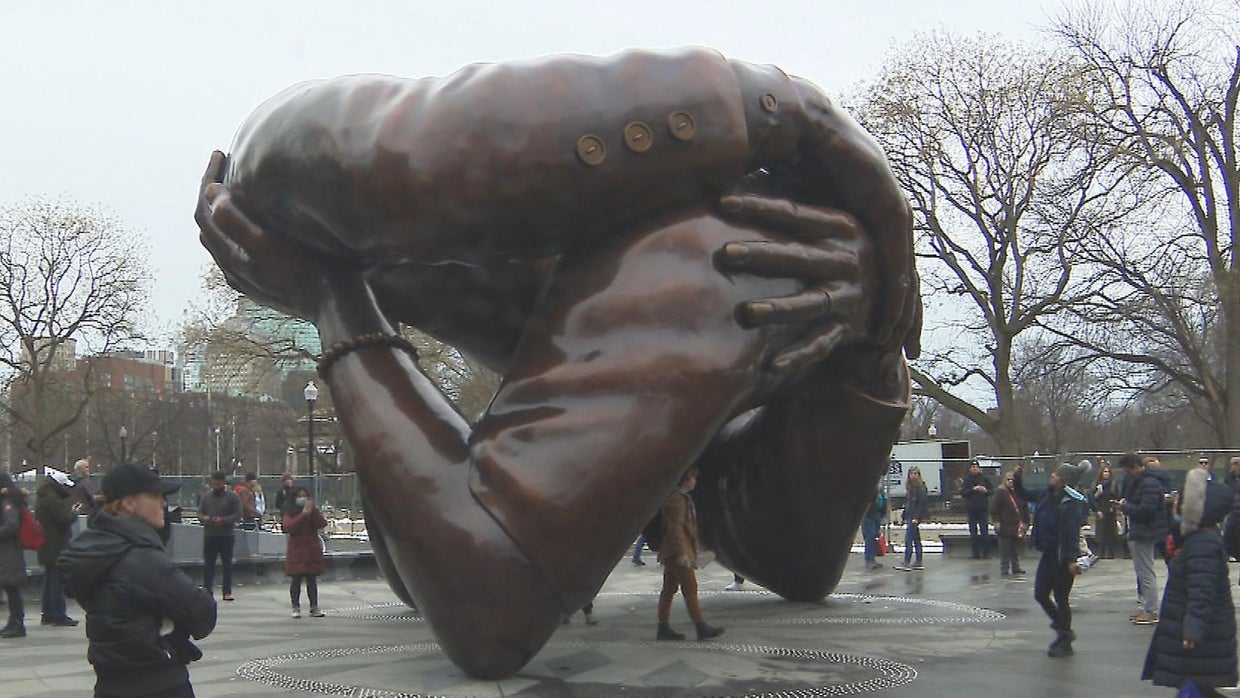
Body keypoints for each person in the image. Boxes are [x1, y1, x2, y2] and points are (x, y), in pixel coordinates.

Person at [196, 47, 921, 678]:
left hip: (781, 309)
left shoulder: (715, 254)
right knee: (381, 168)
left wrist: (333, 300)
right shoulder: (694, 262)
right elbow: (789, 553)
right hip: (799, 362)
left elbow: (488, 610)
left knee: (394, 162)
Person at [57, 462, 217, 698]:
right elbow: (203, 614)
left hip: (110, 682)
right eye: (155, 495)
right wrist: (171, 627)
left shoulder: (97, 550)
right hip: (157, 684)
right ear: (128, 504)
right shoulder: (141, 558)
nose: (164, 503)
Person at [1142, 468, 1238, 697]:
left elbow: (1201, 591)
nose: (1175, 504)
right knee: (1196, 688)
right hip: (1200, 632)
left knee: (1195, 688)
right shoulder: (1199, 539)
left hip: (1198, 637)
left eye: (1181, 500)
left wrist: (1192, 631)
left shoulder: (1201, 544)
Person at [1011, 462, 1087, 657]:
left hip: (1062, 556)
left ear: (1063, 481)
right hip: (1047, 553)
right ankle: (1064, 631)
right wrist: (1018, 478)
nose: (1052, 475)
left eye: (1056, 474)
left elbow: (1070, 534)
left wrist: (1070, 560)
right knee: (1041, 594)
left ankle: (1064, 639)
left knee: (1061, 598)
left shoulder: (1071, 503)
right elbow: (1024, 494)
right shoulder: (1046, 493)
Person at [656, 468, 723, 641]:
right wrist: (682, 553)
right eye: (693, 478)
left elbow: (685, 529)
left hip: (673, 552)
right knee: (690, 589)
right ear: (685, 480)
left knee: (669, 590)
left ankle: (663, 628)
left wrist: (694, 549)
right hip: (676, 553)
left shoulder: (681, 498)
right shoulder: (678, 500)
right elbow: (675, 528)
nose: (695, 481)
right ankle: (701, 627)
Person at [1117, 452, 1169, 626]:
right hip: (1142, 530)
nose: (1127, 474)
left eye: (1127, 470)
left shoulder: (1148, 483)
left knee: (1146, 572)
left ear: (1135, 467)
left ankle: (1152, 611)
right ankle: (1147, 608)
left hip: (1146, 531)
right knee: (1143, 571)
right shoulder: (1144, 482)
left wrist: (1125, 507)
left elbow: (1147, 510)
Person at [36, 469, 78, 626]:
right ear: (59, 485)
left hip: (46, 543)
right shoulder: (53, 499)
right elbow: (64, 519)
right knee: (56, 580)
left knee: (49, 579)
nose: (67, 489)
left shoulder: (44, 496)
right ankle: (58, 614)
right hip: (56, 544)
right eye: (65, 486)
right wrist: (74, 513)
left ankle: (47, 613)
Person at [282, 485, 327, 618]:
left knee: (311, 579)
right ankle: (295, 607)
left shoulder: (312, 510)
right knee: (296, 579)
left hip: (311, 546)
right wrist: (303, 515)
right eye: (299, 496)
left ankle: (314, 606)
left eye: (305, 496)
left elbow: (321, 523)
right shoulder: (289, 510)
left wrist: (313, 510)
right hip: (297, 548)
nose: (302, 499)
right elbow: (289, 527)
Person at [198, 472, 241, 601]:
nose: (216, 486)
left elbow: (238, 514)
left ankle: (226, 591)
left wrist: (224, 520)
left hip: (226, 535)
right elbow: (199, 512)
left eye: (218, 483)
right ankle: (207, 591)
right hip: (210, 534)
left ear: (223, 482)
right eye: (214, 483)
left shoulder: (233, 497)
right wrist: (204, 518)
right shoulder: (206, 497)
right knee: (208, 564)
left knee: (227, 564)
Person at [0, 473, 28, 638]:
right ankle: (14, 621)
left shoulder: (8, 502)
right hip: (8, 551)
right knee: (11, 587)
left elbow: (11, 526)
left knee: (12, 587)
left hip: (9, 551)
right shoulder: (10, 500)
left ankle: (17, 623)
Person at [990, 470, 1028, 576]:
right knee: (1005, 549)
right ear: (1004, 480)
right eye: (1008, 479)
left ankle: (1016, 567)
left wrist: (1026, 522)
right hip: (1005, 525)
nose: (1010, 481)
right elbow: (994, 509)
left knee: (1016, 549)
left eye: (1012, 479)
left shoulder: (1020, 492)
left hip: (1017, 526)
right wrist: (996, 522)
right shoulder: (1001, 492)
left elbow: (1024, 508)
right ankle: (1004, 568)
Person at [894, 466, 929, 571]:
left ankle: (906, 562)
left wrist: (917, 517)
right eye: (911, 474)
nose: (913, 476)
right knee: (916, 539)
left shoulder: (920, 488)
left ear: (919, 475)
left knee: (908, 539)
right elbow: (908, 503)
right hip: (910, 515)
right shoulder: (910, 488)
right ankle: (918, 561)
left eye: (915, 474)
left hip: (914, 517)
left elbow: (922, 504)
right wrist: (904, 514)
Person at [959, 459, 993, 559]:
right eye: (973, 467)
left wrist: (985, 490)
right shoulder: (967, 479)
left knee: (984, 531)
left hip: (983, 508)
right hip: (971, 509)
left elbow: (991, 491)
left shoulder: (984, 478)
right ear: (970, 469)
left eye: (976, 467)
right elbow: (963, 492)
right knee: (973, 532)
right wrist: (973, 490)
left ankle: (986, 553)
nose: (975, 469)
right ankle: (975, 553)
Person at [1091, 463, 1121, 559]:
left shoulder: (1113, 483)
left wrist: (1116, 507)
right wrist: (1098, 494)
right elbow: (1092, 498)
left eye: (1108, 472)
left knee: (1112, 532)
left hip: (1111, 510)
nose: (1106, 474)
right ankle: (1101, 553)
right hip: (1100, 510)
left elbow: (1117, 496)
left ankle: (1111, 554)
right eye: (1104, 472)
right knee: (1101, 533)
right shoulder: (1096, 483)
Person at [860, 489, 887, 571]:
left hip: (876, 515)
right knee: (870, 538)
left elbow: (883, 502)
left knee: (875, 537)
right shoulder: (867, 490)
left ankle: (872, 559)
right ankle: (869, 560)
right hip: (868, 516)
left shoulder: (880, 491)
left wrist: (883, 514)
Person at [1224, 456, 1240, 560]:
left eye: (1237, 464)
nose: (1235, 467)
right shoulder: (1229, 478)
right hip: (1233, 512)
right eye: (1233, 464)